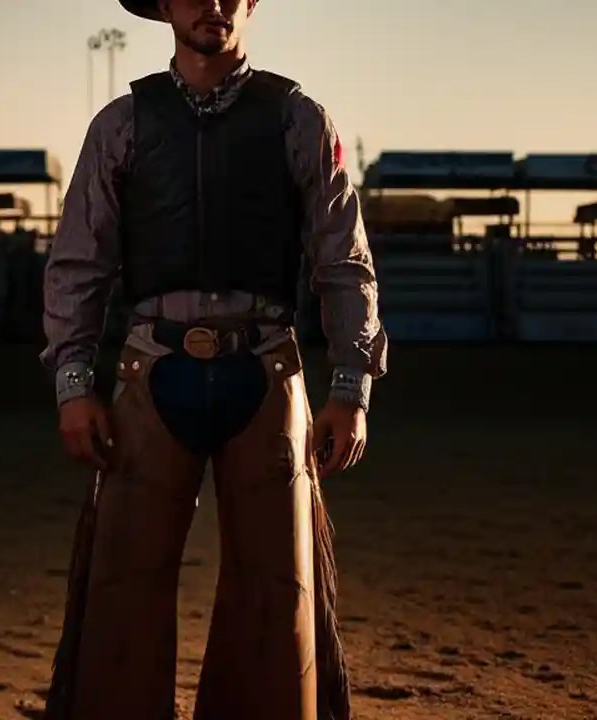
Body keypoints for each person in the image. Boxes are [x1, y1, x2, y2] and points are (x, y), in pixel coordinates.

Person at [39, 0, 387, 718]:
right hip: (151, 369)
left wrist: (351, 387)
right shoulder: (121, 125)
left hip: (266, 369)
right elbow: (79, 262)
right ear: (165, 5)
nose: (215, 3)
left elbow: (344, 261)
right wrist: (73, 384)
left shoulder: (299, 119)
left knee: (280, 590)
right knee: (121, 585)